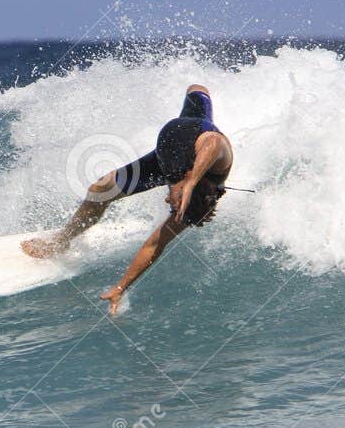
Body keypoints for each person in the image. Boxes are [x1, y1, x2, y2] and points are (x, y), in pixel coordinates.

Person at [22, 84, 234, 315]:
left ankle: (60, 241)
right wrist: (192, 180)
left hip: (161, 164)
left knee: (100, 189)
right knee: (197, 88)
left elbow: (154, 245)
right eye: (173, 203)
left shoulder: (184, 212)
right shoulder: (218, 166)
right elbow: (213, 142)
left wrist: (121, 287)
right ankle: (64, 238)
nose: (167, 204)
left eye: (172, 208)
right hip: (195, 125)